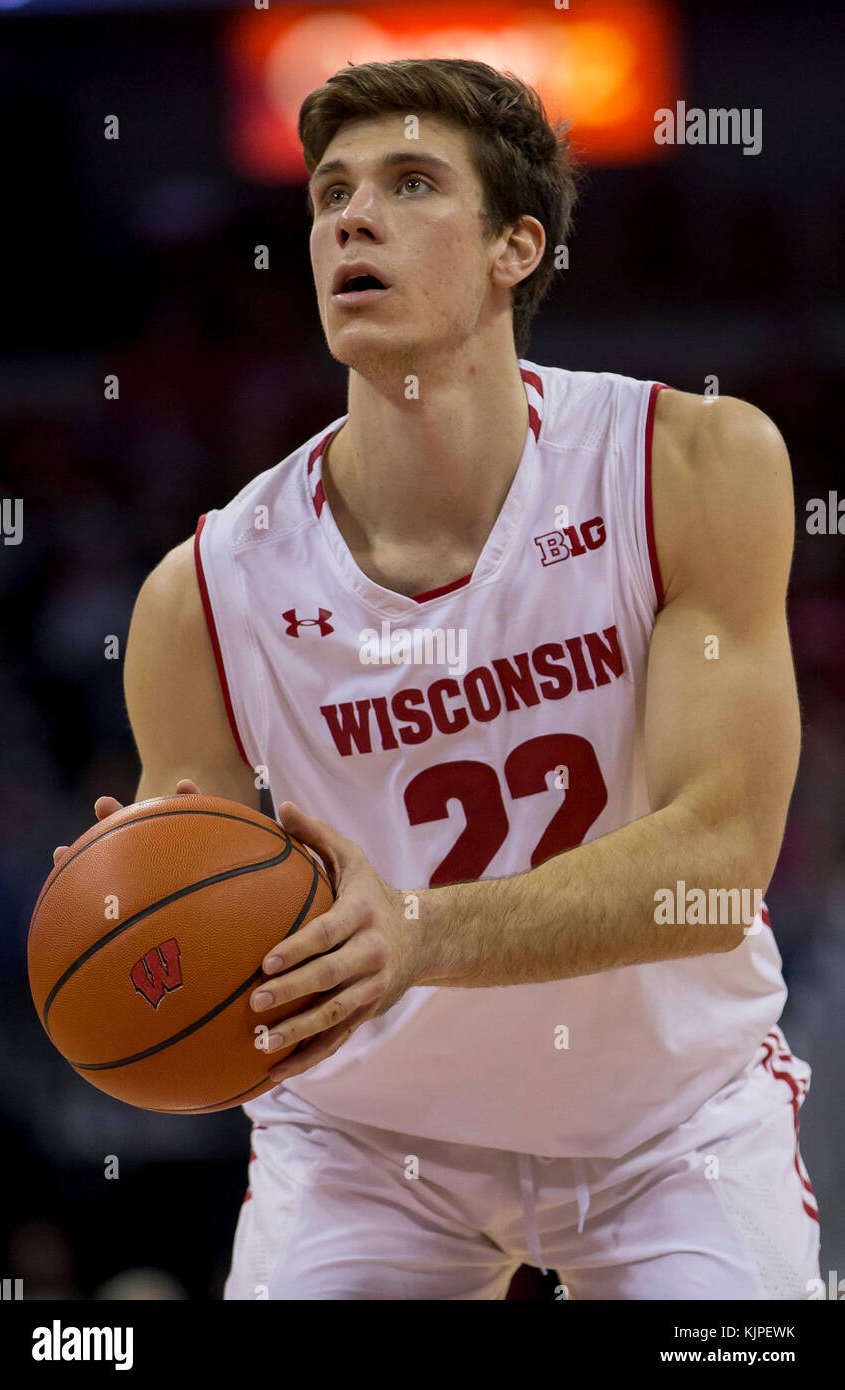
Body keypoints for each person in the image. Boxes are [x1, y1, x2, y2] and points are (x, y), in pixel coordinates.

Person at [54, 58, 819, 1300]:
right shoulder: (201, 593)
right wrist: (123, 910)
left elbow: (718, 854)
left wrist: (418, 933)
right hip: (366, 1146)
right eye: (330, 194)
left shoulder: (687, 463)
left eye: (409, 184)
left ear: (517, 246)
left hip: (669, 1126)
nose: (350, 217)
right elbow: (191, 928)